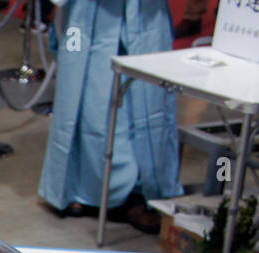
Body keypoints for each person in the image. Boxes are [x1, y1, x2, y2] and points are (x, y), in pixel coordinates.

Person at [38, 0, 182, 233]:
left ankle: (143, 191)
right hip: (83, 12)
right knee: (83, 93)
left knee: (148, 93)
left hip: (144, 11)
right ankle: (74, 187)